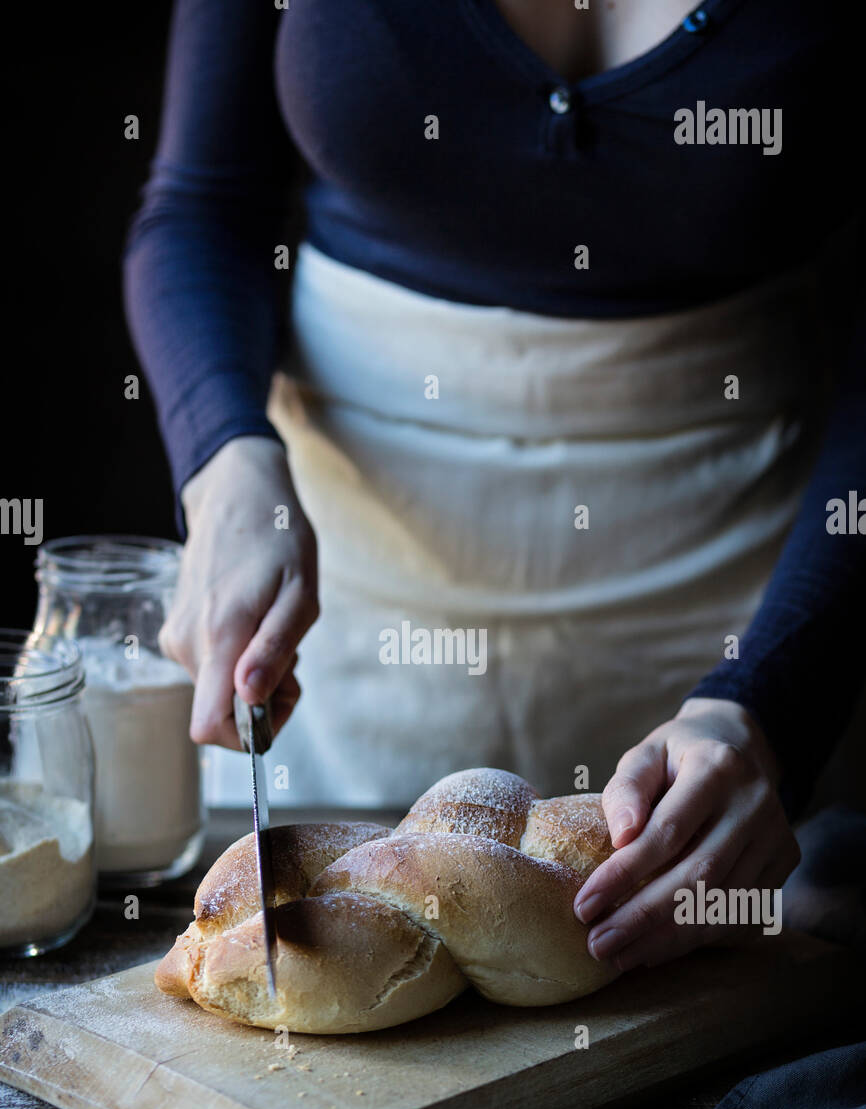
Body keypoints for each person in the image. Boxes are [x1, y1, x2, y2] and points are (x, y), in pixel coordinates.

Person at [124, 0, 865, 973]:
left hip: (755, 631)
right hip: (346, 616)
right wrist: (224, 462)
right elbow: (203, 205)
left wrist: (767, 703)